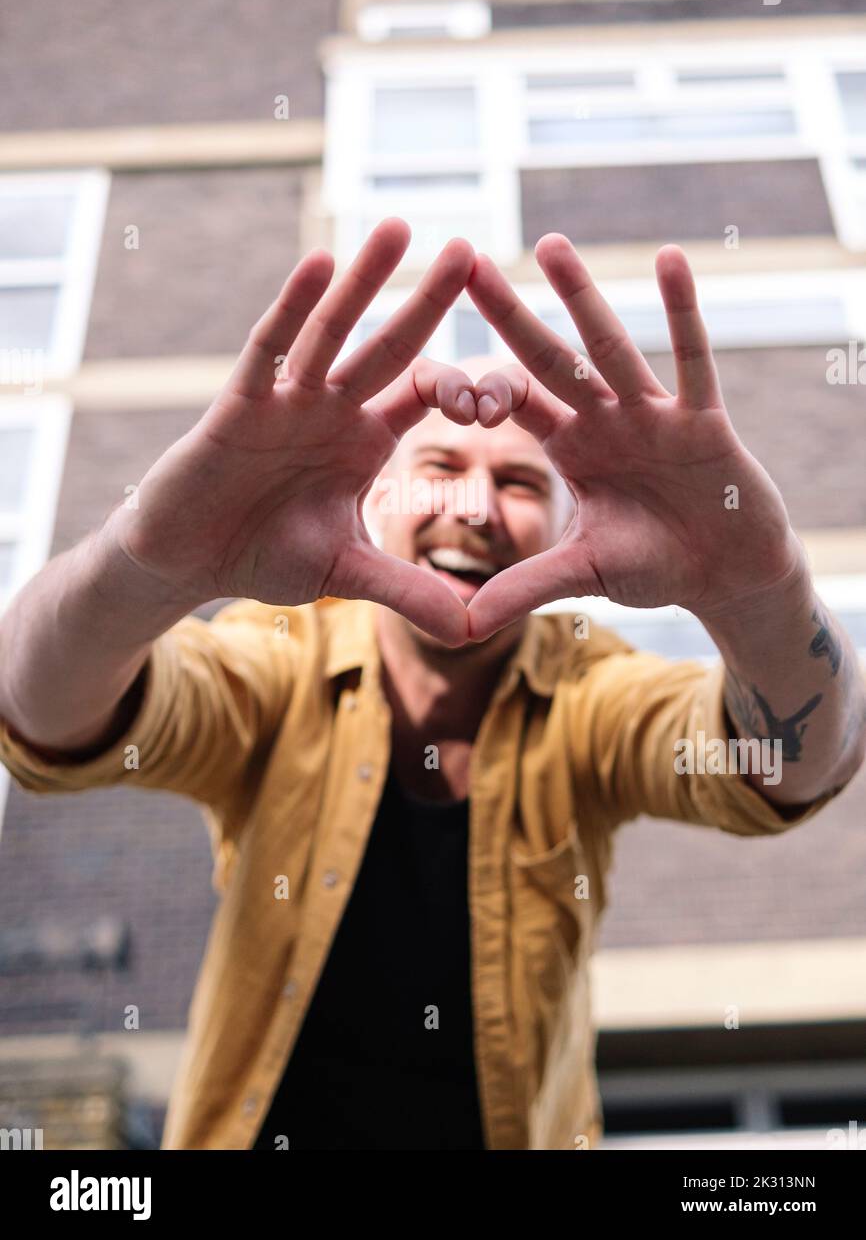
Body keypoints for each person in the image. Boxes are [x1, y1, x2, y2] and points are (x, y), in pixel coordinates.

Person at [0, 217, 863, 1150]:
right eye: (440, 468)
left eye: (521, 485)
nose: (474, 506)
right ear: (370, 504)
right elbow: (45, 715)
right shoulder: (279, 663)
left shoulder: (588, 697)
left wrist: (760, 592)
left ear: (569, 528)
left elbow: (792, 766)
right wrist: (145, 565)